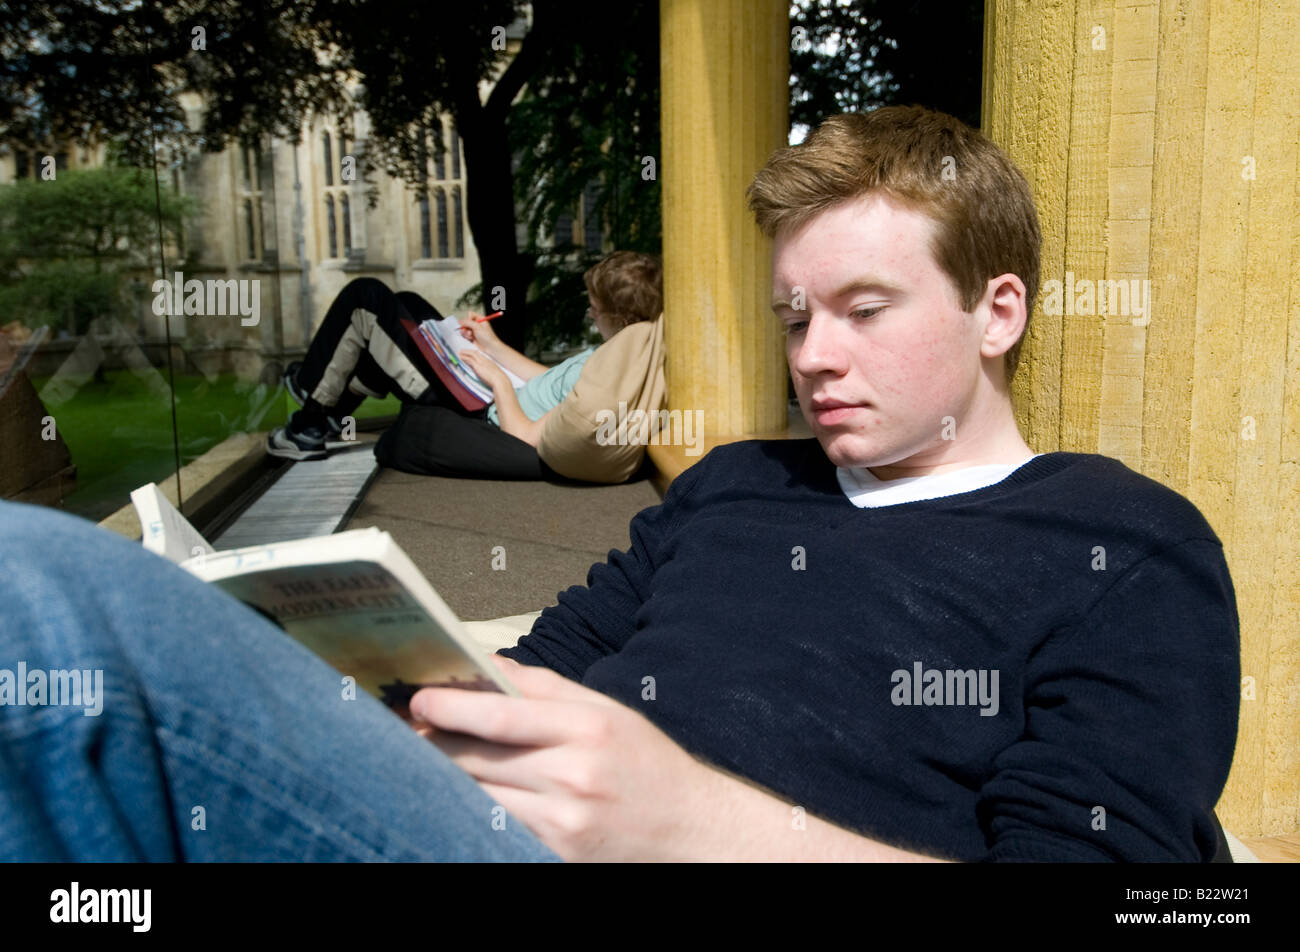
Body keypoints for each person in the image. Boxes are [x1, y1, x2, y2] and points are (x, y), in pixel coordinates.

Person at [0, 106, 1239, 861]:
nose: (813, 354)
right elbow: (540, 664)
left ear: (996, 310)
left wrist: (691, 827)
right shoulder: (737, 485)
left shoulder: (1119, 543)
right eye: (795, 315)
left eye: (866, 309)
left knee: (40, 596)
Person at [265, 250, 664, 481]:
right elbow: (550, 383)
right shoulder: (617, 353)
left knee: (366, 298)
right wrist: (493, 346)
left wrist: (495, 380)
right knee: (410, 304)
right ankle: (331, 404)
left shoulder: (612, 370)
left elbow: (526, 436)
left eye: (595, 309)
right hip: (488, 391)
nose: (590, 314)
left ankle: (310, 418)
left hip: (477, 409)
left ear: (622, 318)